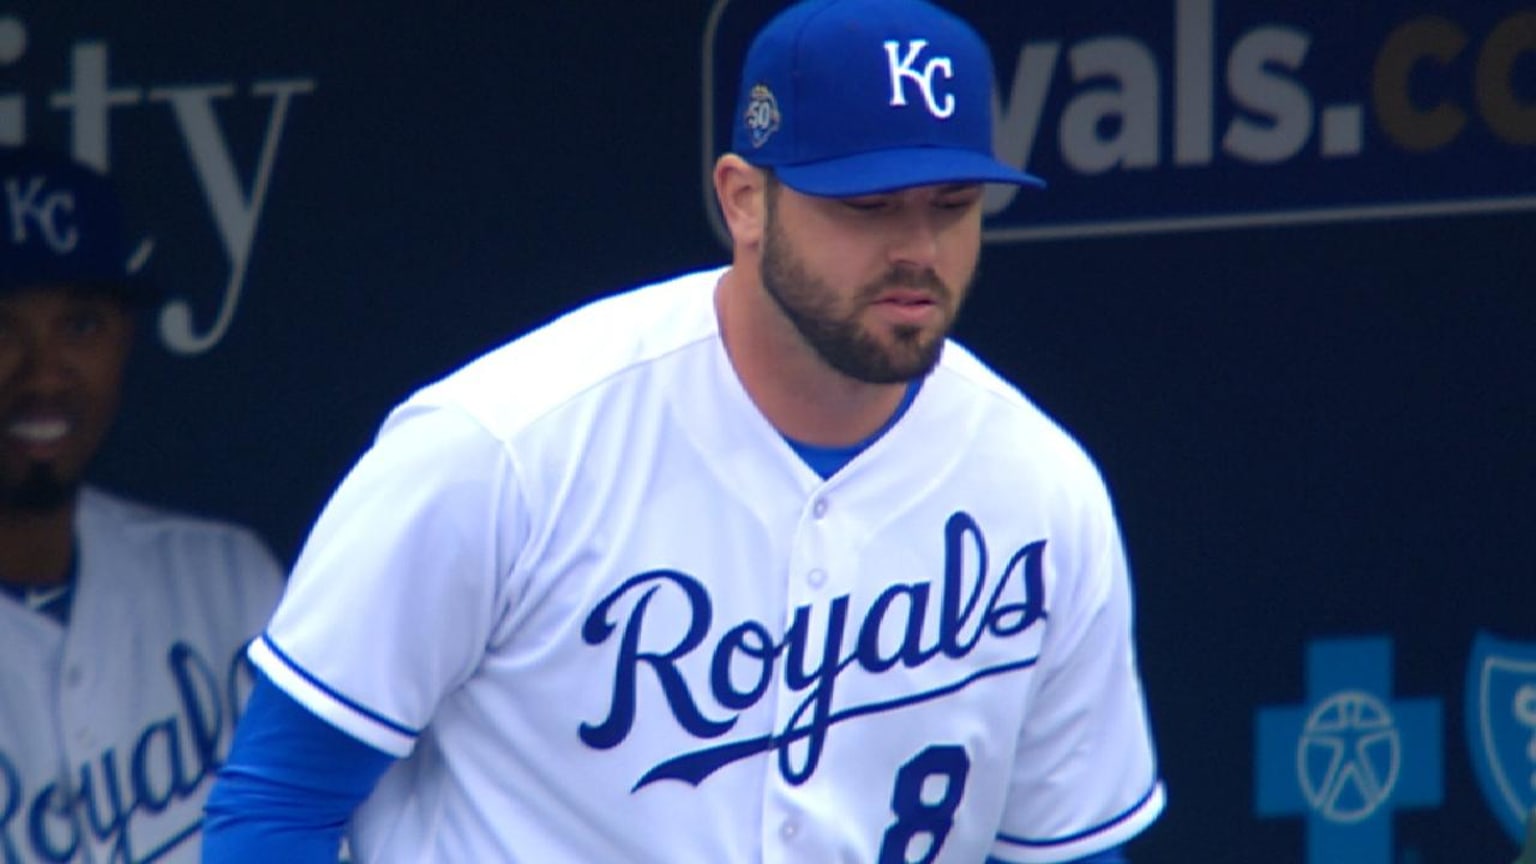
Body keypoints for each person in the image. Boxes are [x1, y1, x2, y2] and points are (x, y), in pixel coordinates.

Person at [202, 0, 1165, 861]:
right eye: (867, 207)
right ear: (746, 199)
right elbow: (278, 804)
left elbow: (1067, 847)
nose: (917, 248)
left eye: (952, 206)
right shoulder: (500, 448)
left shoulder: (1043, 492)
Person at [0, 147, 286, 863]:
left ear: (125, 340)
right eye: (1, 329)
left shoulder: (226, 579)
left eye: (81, 326)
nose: (43, 375)